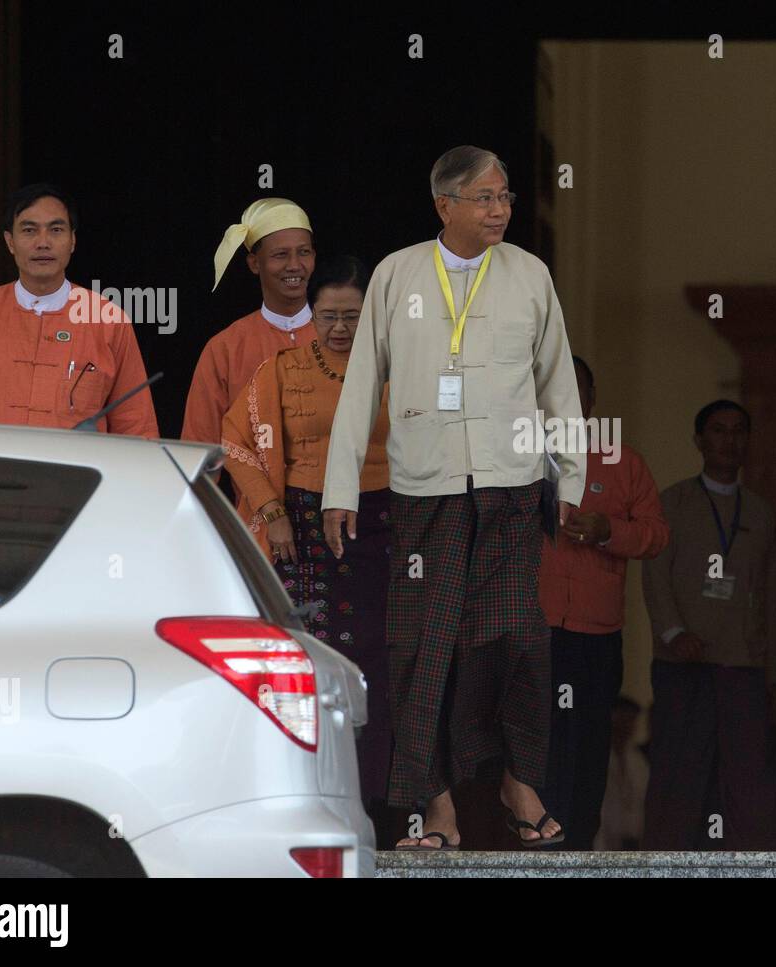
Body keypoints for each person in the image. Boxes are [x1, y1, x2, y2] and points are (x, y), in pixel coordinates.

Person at [321, 145, 585, 850]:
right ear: (445, 206)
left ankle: (518, 782)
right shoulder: (397, 274)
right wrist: (339, 487)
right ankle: (438, 810)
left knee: (518, 645)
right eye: (485, 199)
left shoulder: (529, 274)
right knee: (422, 649)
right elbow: (359, 387)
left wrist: (571, 477)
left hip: (512, 486)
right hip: (424, 491)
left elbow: (557, 381)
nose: (500, 210)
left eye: (505, 197)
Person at [220, 254, 392, 815]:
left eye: (352, 316)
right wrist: (272, 511)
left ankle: (379, 803)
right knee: (309, 663)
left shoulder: (400, 370)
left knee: (380, 665)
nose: (340, 329)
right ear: (310, 316)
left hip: (384, 530)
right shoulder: (280, 369)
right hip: (307, 535)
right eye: (328, 317)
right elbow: (236, 440)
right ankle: (308, 796)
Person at [641, 399, 776, 850]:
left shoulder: (760, 513)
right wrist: (673, 634)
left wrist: (775, 674)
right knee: (677, 777)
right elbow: (654, 575)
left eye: (739, 430)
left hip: (742, 667)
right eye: (719, 430)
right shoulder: (673, 502)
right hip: (684, 662)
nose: (729, 439)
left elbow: (772, 596)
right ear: (699, 440)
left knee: (748, 782)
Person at [539, 355, 669, 849]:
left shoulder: (623, 462)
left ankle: (578, 850)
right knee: (536, 743)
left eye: (576, 391)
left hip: (596, 632)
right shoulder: (515, 457)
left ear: (592, 402)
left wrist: (607, 530)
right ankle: (536, 845)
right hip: (535, 627)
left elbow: (657, 535)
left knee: (590, 744)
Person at [0, 183, 158, 436]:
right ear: (10, 242)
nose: (43, 243)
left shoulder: (109, 322)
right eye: (29, 230)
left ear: (72, 240)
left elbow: (136, 427)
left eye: (56, 230)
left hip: (76, 476)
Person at [181, 198, 316, 444]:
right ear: (255, 263)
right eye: (281, 255)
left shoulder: (345, 337)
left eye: (304, 252)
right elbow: (199, 452)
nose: (295, 265)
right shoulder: (225, 348)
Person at [592, 696, 650, 851]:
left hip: (634, 840)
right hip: (602, 840)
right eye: (622, 719)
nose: (627, 726)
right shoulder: (597, 758)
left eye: (631, 720)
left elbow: (642, 801)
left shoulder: (638, 761)